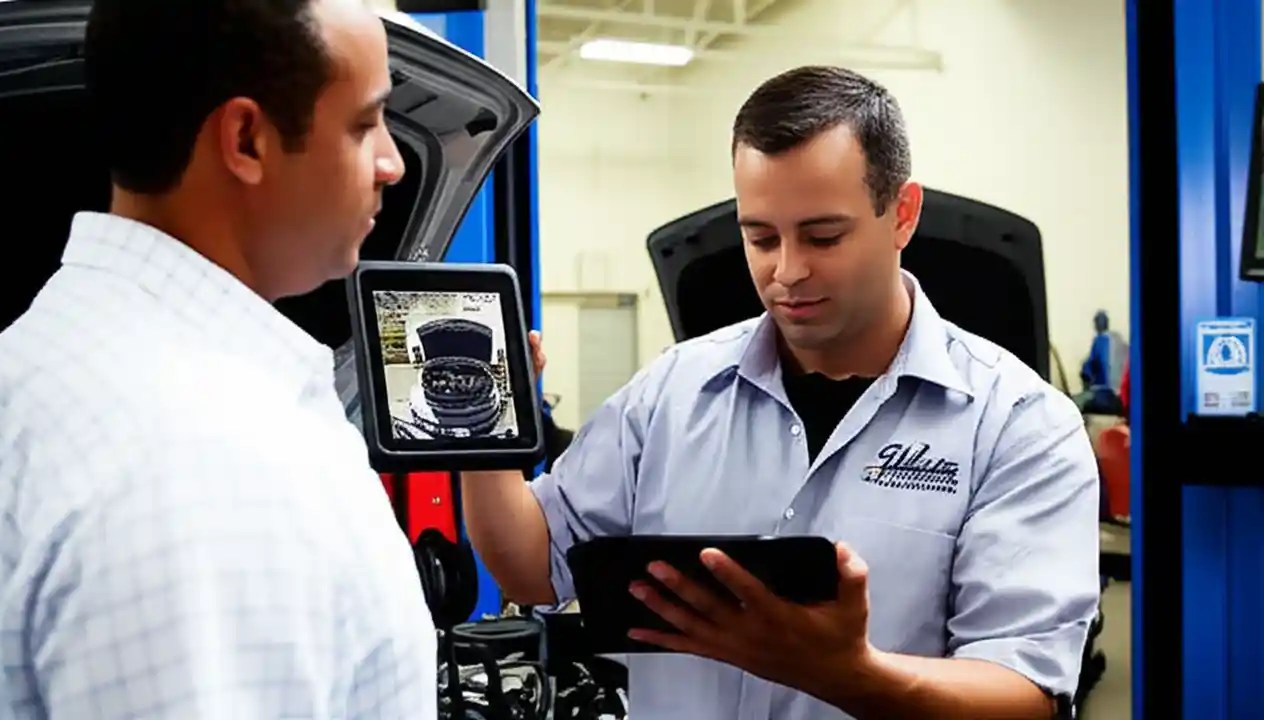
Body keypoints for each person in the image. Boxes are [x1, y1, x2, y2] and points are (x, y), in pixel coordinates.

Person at [466, 66, 1100, 719]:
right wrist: (483, 433)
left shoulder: (1019, 423)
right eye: (760, 237)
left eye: (824, 236)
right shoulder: (671, 392)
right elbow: (531, 568)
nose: (787, 272)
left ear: (902, 214)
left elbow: (1025, 696)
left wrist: (850, 675)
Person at [0, 1, 437, 717]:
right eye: (362, 124)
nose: (393, 162)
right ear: (247, 139)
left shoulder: (40, 365)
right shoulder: (208, 468)